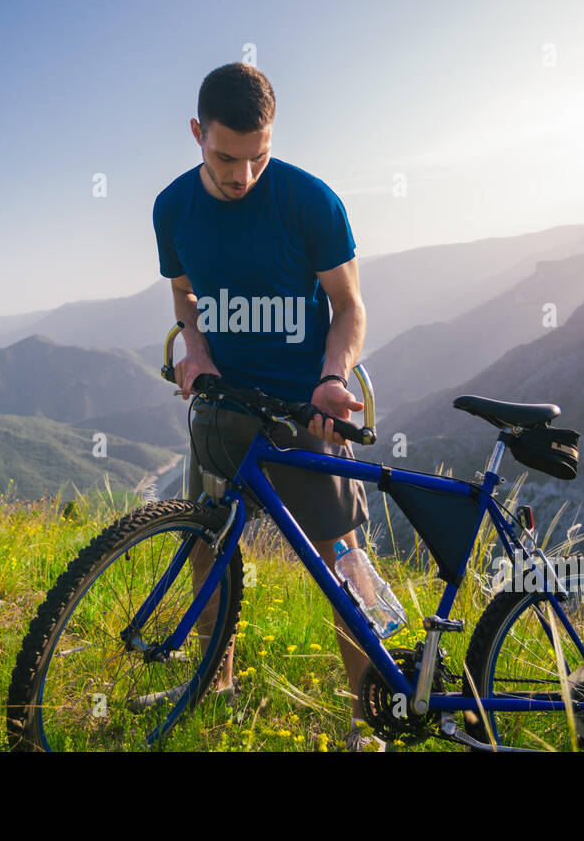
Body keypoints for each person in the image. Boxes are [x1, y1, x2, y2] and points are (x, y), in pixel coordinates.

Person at [151, 62, 383, 751]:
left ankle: (368, 720)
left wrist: (332, 375)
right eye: (226, 157)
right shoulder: (172, 209)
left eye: (259, 156)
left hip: (303, 411)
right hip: (223, 405)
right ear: (197, 133)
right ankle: (212, 684)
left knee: (342, 559)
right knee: (205, 539)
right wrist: (195, 350)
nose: (243, 175)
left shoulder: (311, 202)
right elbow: (185, 299)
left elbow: (350, 306)